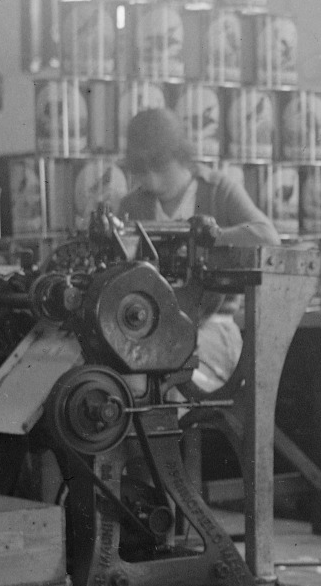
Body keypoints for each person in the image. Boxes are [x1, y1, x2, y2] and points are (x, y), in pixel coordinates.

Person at [117, 107, 279, 392]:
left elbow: (268, 238)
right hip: (149, 328)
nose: (152, 180)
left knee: (162, 383)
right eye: (142, 172)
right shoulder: (132, 205)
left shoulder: (217, 190)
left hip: (213, 328)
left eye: (160, 168)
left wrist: (204, 238)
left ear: (181, 156)